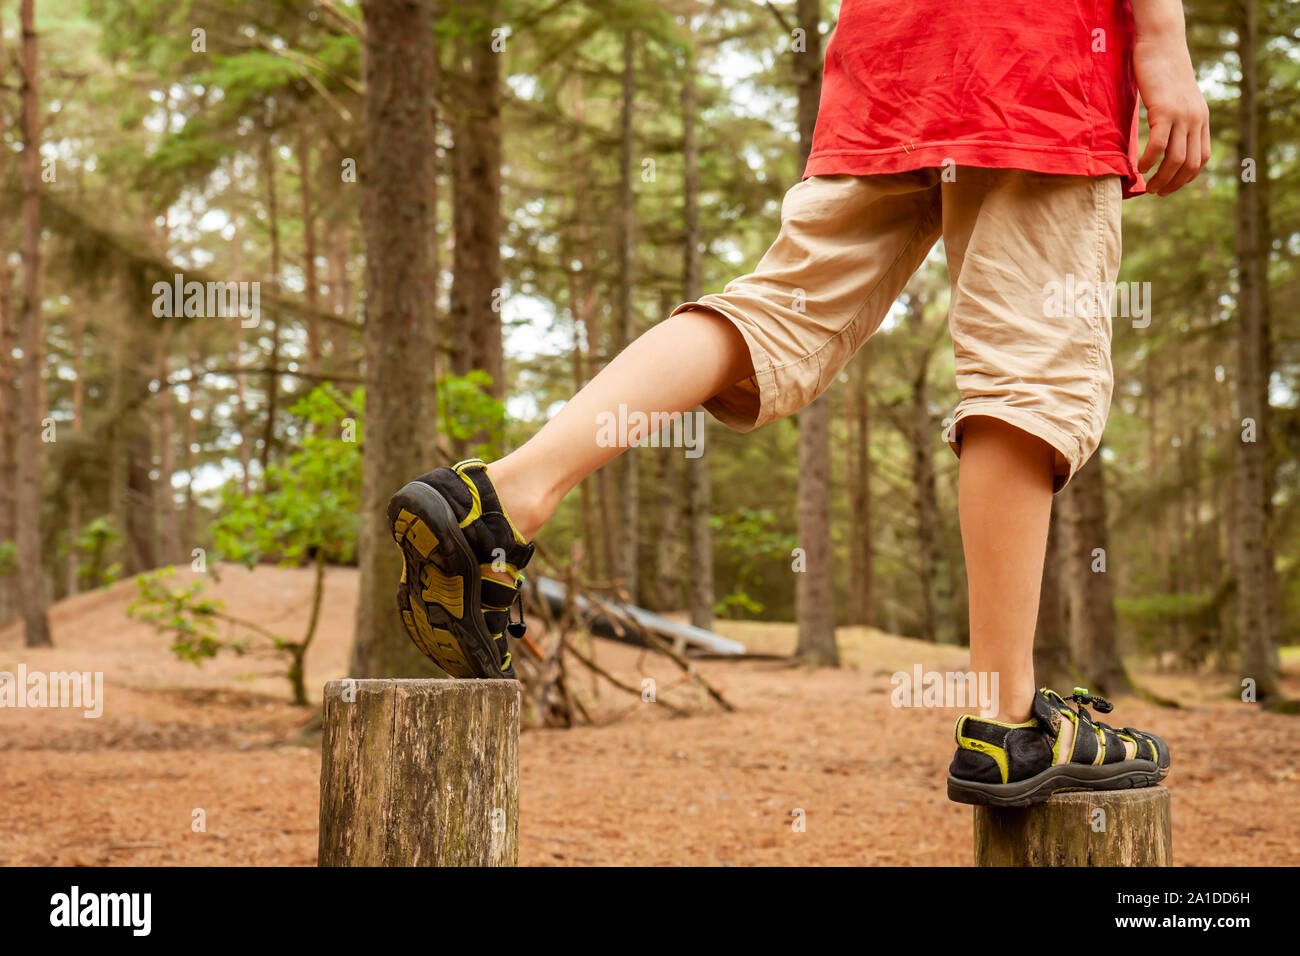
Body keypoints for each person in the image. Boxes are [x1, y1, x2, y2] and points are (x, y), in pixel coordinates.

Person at [385, 0, 1205, 806]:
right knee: (1028, 363)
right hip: (1037, 49)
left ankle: (506, 493)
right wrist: (1162, 40)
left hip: (891, 49)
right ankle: (1007, 718)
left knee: (779, 306)